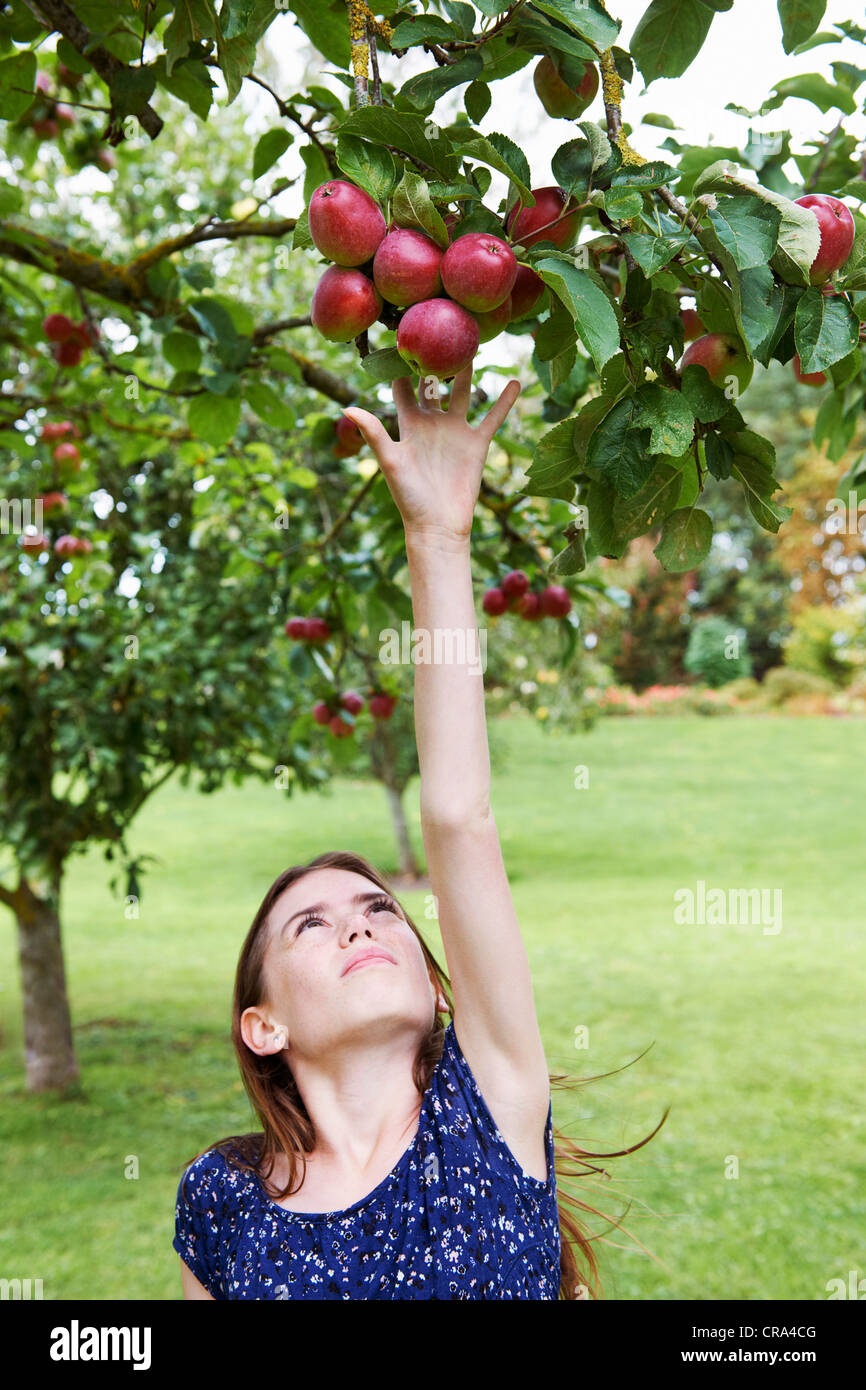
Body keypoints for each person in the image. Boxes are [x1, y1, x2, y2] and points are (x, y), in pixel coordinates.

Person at [173, 367, 660, 1300]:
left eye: (378, 909)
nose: (359, 926)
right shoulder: (223, 1199)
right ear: (262, 1025)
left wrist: (438, 534)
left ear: (439, 991)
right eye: (309, 926)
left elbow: (457, 816)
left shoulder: (493, 1108)